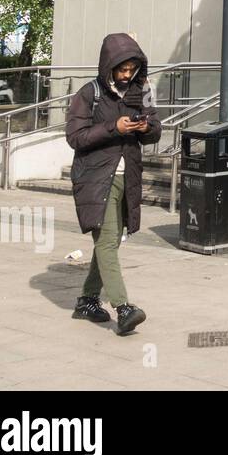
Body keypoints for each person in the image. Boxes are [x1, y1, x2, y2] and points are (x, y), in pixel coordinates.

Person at [65, 33, 161, 336]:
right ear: (108, 65)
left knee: (110, 241)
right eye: (122, 68)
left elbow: (156, 130)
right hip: (95, 178)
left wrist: (146, 127)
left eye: (132, 68)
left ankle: (87, 301)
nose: (126, 74)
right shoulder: (89, 92)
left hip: (126, 177)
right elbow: (75, 137)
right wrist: (113, 127)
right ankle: (124, 308)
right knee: (106, 241)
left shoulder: (141, 91)